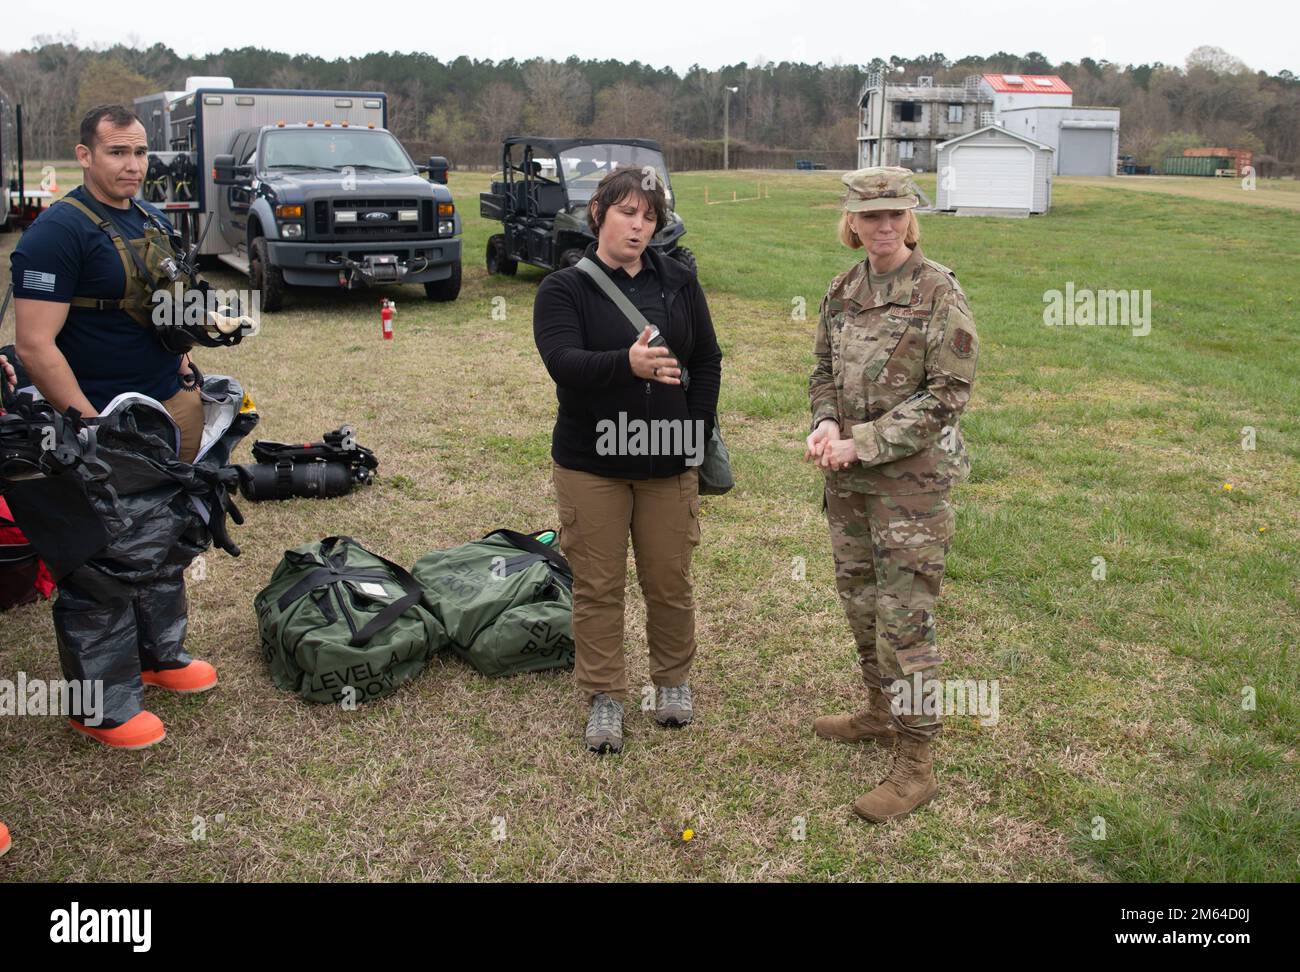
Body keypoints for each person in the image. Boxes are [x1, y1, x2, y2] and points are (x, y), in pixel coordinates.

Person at [7, 105, 220, 750]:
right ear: (84, 154)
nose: (132, 165)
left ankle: (159, 657)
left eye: (139, 152)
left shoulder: (150, 219)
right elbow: (34, 343)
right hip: (96, 419)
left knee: (164, 537)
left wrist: (185, 366)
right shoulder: (57, 232)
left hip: (159, 407)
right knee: (100, 559)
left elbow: (161, 307)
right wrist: (84, 421)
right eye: (116, 153)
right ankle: (98, 703)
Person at [806, 166, 979, 822]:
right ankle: (879, 713)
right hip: (848, 485)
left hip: (910, 489)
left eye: (895, 214)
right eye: (869, 215)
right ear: (850, 220)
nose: (882, 226)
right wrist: (825, 423)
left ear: (910, 219)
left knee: (905, 624)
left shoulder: (938, 292)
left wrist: (865, 442)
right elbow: (823, 370)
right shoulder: (843, 290)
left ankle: (915, 765)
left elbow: (948, 395)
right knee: (861, 606)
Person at [534, 166, 722, 754]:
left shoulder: (679, 281)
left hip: (668, 461)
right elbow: (564, 362)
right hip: (592, 462)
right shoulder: (564, 289)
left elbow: (709, 359)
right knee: (597, 584)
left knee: (669, 580)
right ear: (599, 213)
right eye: (627, 213)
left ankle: (671, 683)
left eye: (649, 217)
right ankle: (605, 695)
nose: (638, 227)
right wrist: (626, 364)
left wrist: (692, 432)